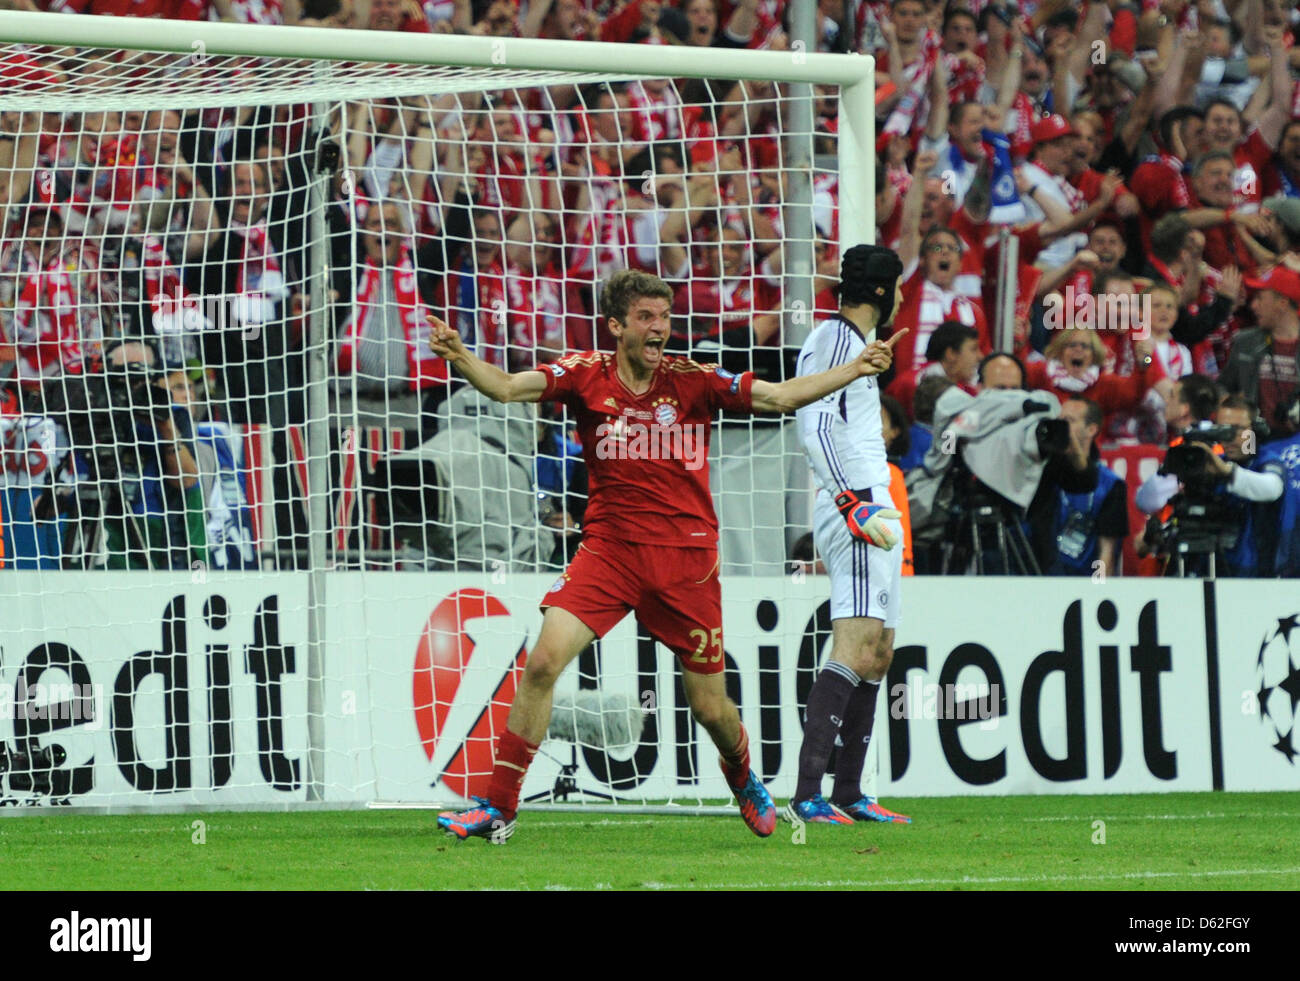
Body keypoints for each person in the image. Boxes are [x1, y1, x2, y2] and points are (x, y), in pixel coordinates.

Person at [432, 268, 902, 843]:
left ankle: (743, 777)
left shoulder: (695, 380)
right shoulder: (585, 377)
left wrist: (857, 367)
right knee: (542, 663)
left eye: (666, 319)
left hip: (686, 563)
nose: (660, 331)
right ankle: (497, 807)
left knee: (711, 710)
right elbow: (507, 387)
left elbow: (779, 396)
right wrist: (460, 357)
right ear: (616, 326)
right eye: (647, 319)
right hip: (609, 553)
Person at [785, 243, 912, 826]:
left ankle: (850, 792)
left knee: (879, 652)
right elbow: (813, 424)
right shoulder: (835, 339)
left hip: (873, 500)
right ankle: (809, 793)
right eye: (900, 286)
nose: (905, 296)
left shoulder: (856, 346)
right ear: (882, 292)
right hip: (855, 500)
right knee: (854, 643)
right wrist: (849, 499)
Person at [1026, 396, 1129, 577]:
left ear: (1091, 429)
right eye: (1059, 419)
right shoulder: (1040, 472)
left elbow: (1106, 551)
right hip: (1035, 579)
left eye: (1069, 421)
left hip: (1082, 586)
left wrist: (1099, 588)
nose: (1061, 425)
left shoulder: (1110, 485)